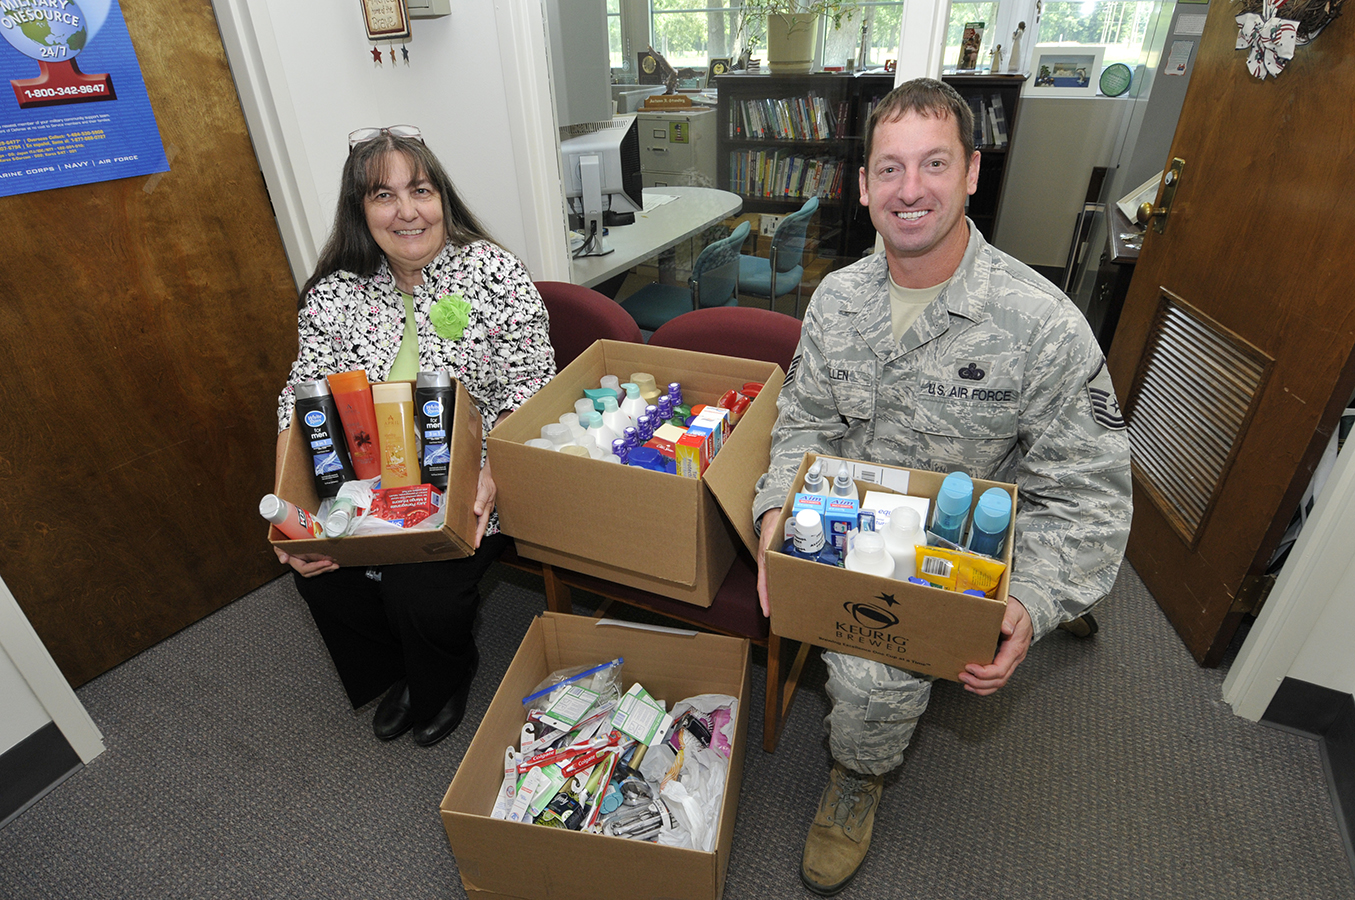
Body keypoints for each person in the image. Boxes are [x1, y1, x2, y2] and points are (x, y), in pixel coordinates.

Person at [752, 79, 1132, 895]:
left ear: (970, 173)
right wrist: (775, 515)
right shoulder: (837, 300)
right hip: (846, 526)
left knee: (865, 676)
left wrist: (1028, 597)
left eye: (932, 163)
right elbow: (803, 426)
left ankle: (858, 774)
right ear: (862, 188)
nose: (909, 188)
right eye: (888, 169)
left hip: (954, 552)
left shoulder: (1041, 324)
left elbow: (1089, 494)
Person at [273, 125, 554, 747]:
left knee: (419, 588)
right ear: (360, 211)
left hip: (475, 479)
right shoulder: (333, 294)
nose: (407, 211)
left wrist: (492, 473)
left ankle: (443, 678)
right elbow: (301, 402)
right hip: (364, 486)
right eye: (383, 195)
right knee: (320, 566)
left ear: (442, 198)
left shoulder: (493, 273)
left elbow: (531, 391)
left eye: (419, 190)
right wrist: (295, 508)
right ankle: (397, 671)